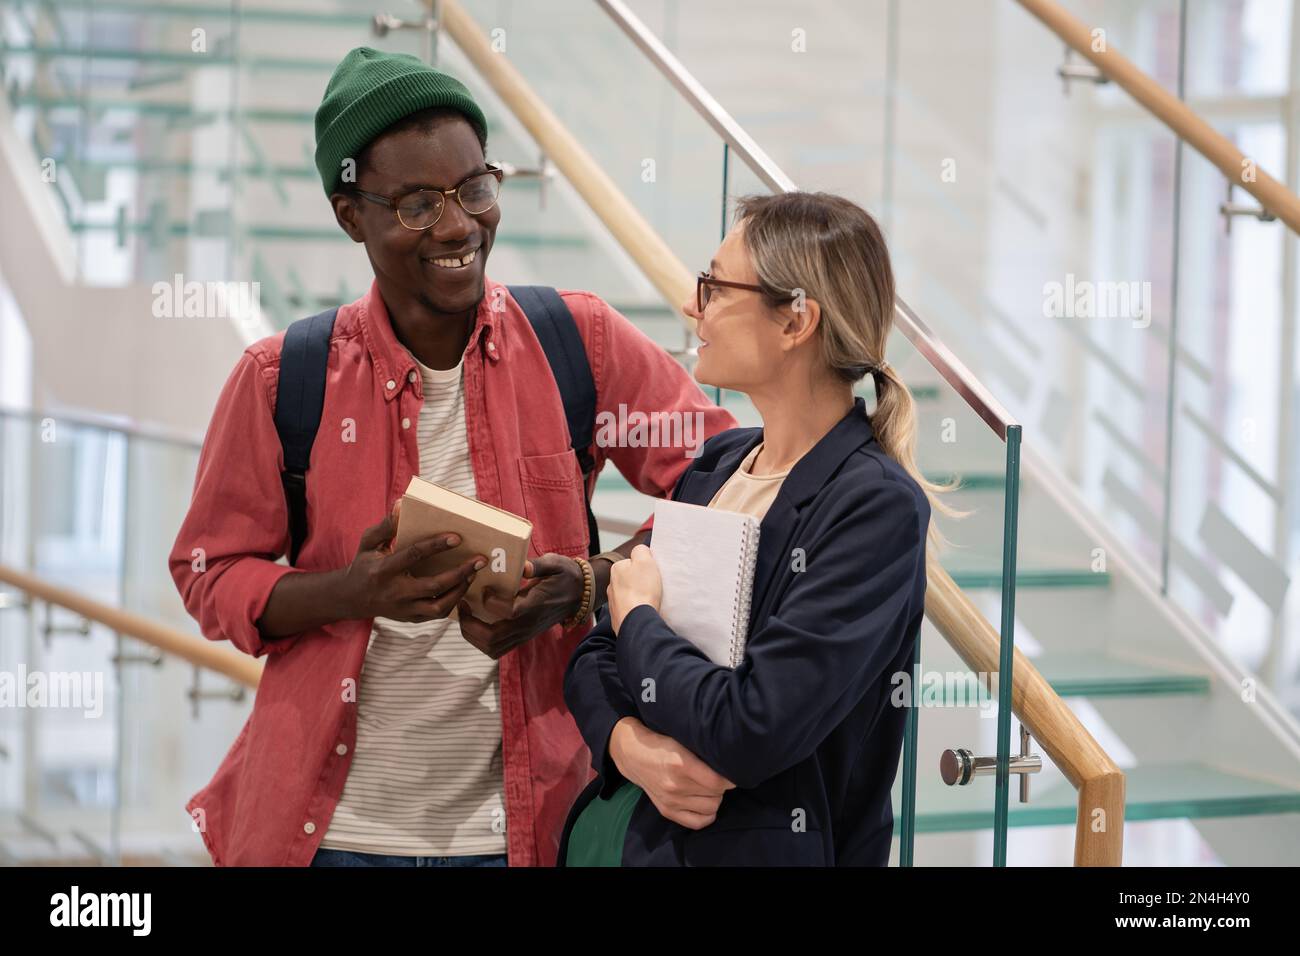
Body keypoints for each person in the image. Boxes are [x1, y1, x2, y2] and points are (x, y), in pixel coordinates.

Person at [168, 47, 735, 867]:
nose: (460, 226)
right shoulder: (279, 381)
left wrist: (586, 585)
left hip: (527, 828)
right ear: (348, 213)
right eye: (417, 204)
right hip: (330, 835)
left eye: (474, 189)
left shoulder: (579, 344)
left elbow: (729, 483)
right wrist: (348, 592)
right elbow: (207, 570)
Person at [559, 191, 957, 866]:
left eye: (715, 285)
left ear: (796, 319)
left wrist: (639, 620)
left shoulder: (874, 509)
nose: (694, 305)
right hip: (629, 838)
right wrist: (633, 746)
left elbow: (751, 725)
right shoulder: (716, 465)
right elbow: (591, 661)